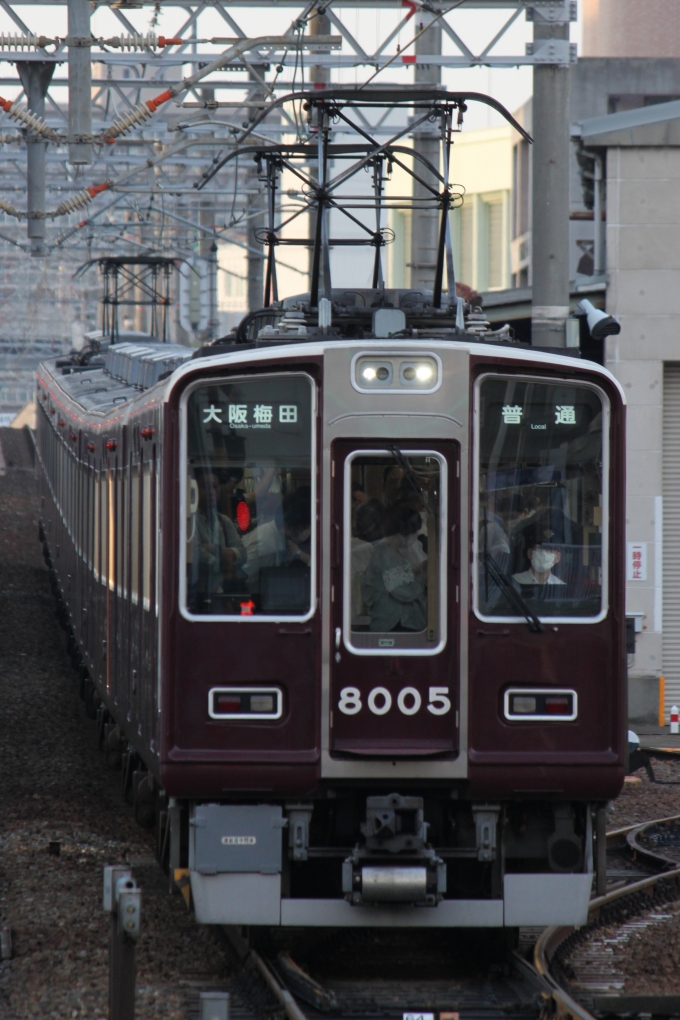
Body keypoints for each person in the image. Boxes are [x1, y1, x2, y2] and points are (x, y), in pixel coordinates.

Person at [361, 501, 427, 633]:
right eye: (415, 531)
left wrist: (415, 571)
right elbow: (403, 591)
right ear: (406, 531)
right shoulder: (387, 553)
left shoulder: (389, 551)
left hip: (394, 621)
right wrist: (423, 578)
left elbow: (396, 577)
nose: (415, 536)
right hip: (394, 624)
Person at [193, 468, 247, 599]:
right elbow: (196, 554)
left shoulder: (223, 520)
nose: (212, 492)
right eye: (205, 487)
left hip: (220, 593)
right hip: (193, 594)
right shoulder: (188, 522)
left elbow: (242, 553)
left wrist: (213, 548)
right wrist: (222, 561)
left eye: (215, 487)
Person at [512, 524, 566, 589]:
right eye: (540, 547)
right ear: (530, 553)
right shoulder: (514, 582)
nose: (544, 553)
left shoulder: (561, 586)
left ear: (557, 557)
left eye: (549, 549)